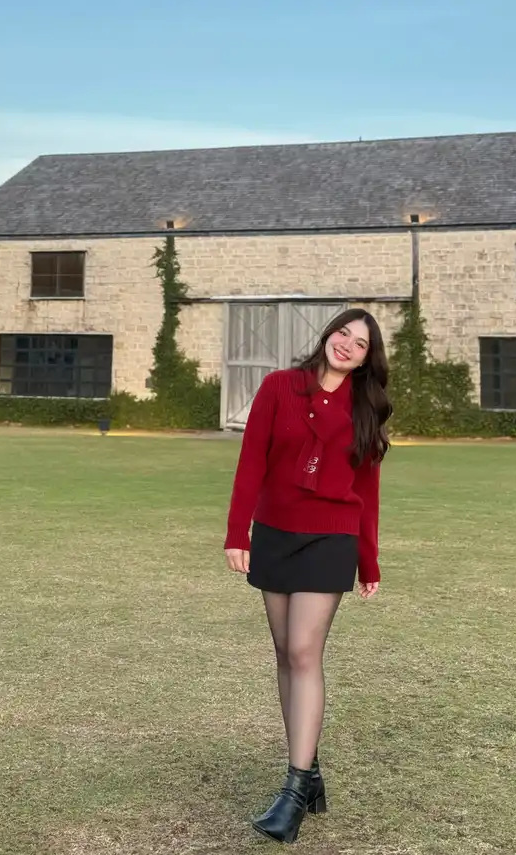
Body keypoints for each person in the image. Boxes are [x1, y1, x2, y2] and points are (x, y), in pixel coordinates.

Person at [224, 308, 392, 844]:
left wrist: (368, 560)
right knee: (283, 653)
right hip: (275, 532)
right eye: (343, 333)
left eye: (360, 344)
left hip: (331, 537)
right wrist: (237, 533)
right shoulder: (279, 387)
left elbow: (367, 492)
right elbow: (252, 461)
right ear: (328, 335)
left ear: (366, 359)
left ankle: (294, 790)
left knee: (303, 651)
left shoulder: (365, 407)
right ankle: (311, 772)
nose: (347, 345)